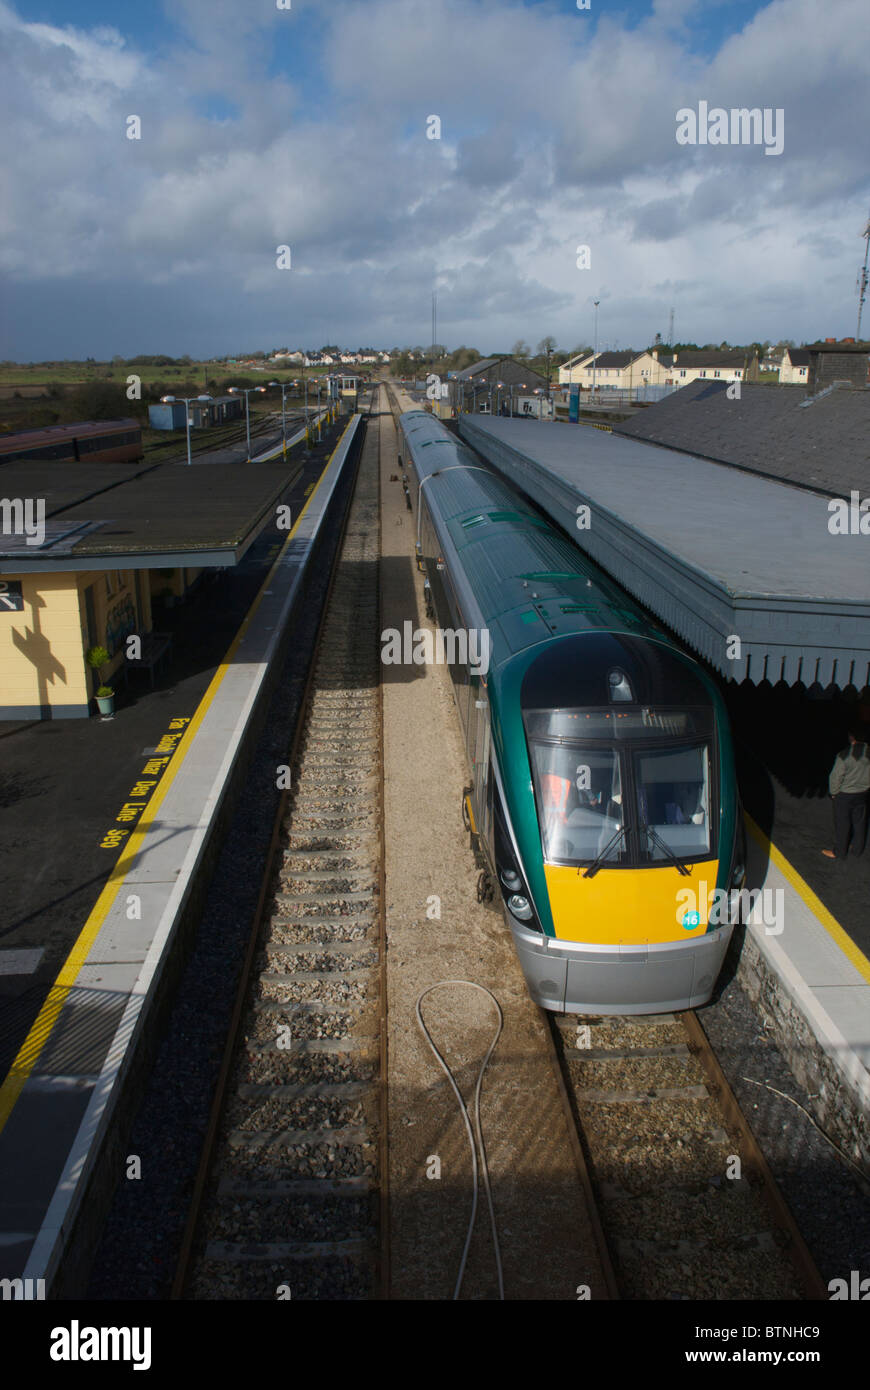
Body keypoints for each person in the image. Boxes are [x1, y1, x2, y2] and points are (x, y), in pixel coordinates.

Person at [822, 729, 870, 859]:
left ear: (851, 737)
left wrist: (834, 792)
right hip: (863, 794)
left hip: (845, 795)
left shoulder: (844, 756)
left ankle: (839, 852)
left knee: (843, 823)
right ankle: (857, 849)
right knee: (860, 822)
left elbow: (835, 777)